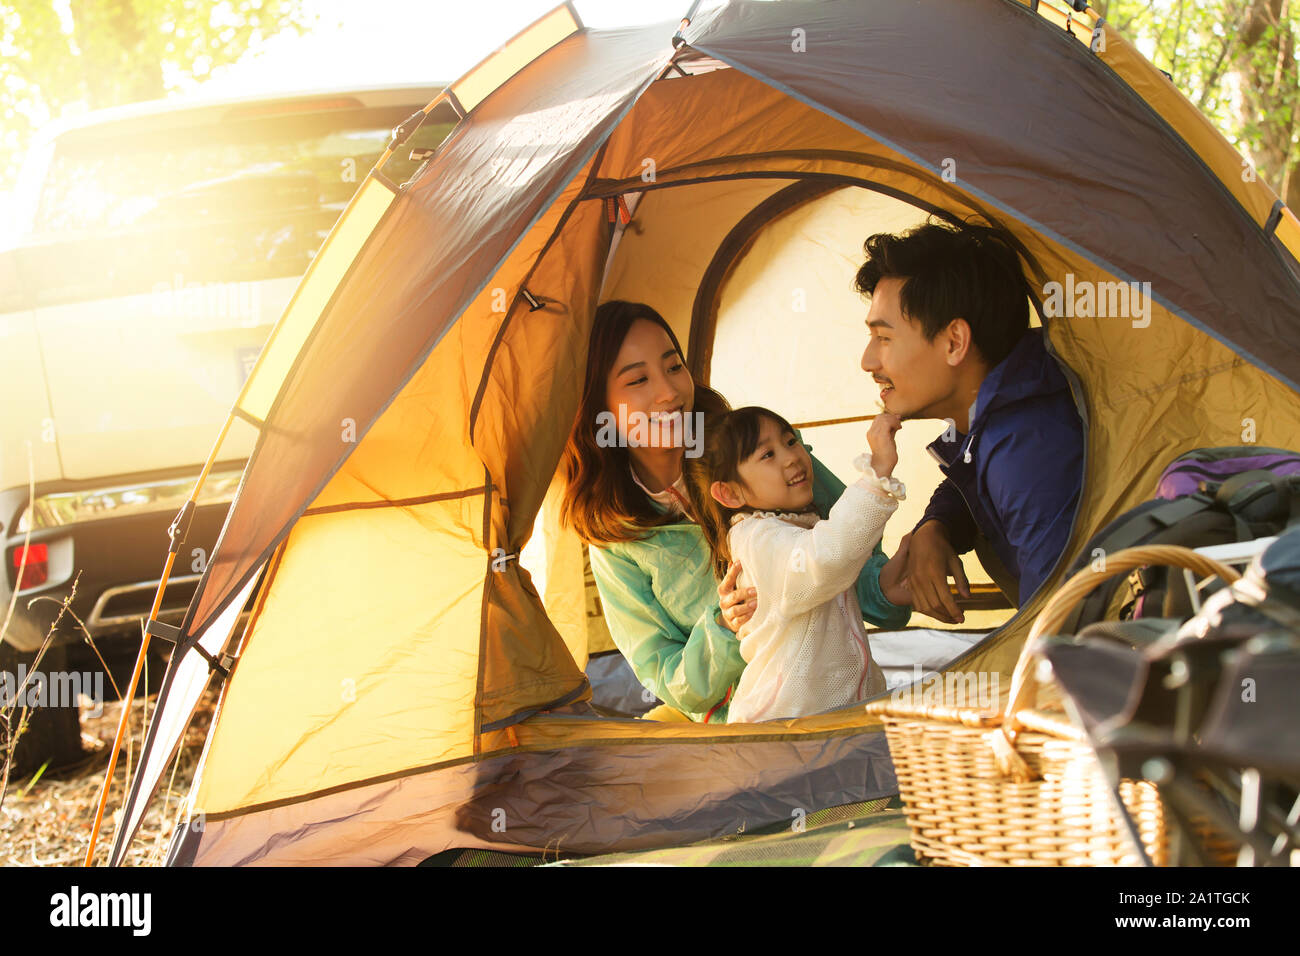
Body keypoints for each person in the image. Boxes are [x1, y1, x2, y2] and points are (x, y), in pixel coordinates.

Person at [560, 300, 910, 722]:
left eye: (674, 367)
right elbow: (672, 683)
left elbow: (850, 563)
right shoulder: (615, 538)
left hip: (828, 699)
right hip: (741, 732)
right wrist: (724, 628)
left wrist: (895, 587)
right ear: (598, 407)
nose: (669, 392)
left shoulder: (764, 452)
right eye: (638, 379)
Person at [857, 219, 1085, 621]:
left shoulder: (1025, 450)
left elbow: (1061, 635)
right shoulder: (1007, 410)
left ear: (954, 343)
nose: (868, 361)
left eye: (884, 338)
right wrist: (936, 525)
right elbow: (971, 467)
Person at [683, 405, 906, 722]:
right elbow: (824, 558)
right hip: (780, 729)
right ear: (730, 493)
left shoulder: (797, 526)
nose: (791, 457)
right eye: (767, 455)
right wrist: (877, 473)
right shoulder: (757, 539)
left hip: (829, 723)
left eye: (790, 441)